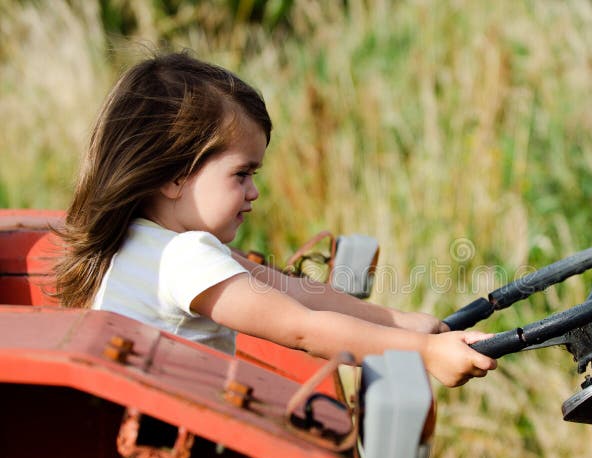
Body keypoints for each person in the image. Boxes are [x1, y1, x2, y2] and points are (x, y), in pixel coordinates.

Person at [52, 51, 497, 387]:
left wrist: (397, 321)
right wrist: (421, 353)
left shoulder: (142, 241)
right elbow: (302, 328)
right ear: (174, 176)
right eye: (241, 174)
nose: (254, 192)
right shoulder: (185, 259)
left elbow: (288, 289)